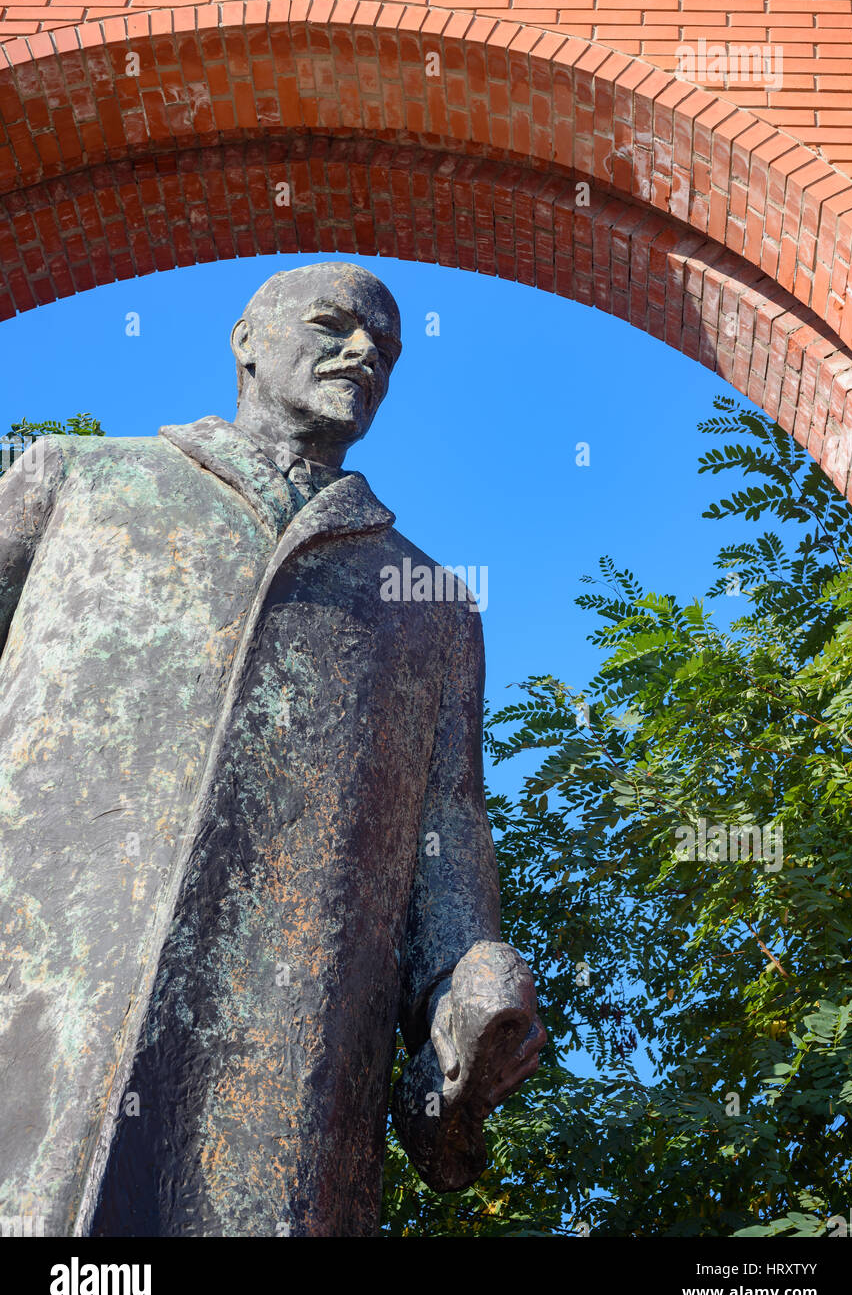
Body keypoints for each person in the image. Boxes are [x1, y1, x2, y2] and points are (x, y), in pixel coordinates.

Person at [0, 261, 544, 1237]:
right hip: (37, 1049)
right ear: (245, 342)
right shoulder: (77, 482)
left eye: (388, 346)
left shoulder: (433, 608)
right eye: (337, 324)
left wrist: (466, 1036)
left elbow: (449, 872)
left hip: (281, 1116)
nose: (367, 352)